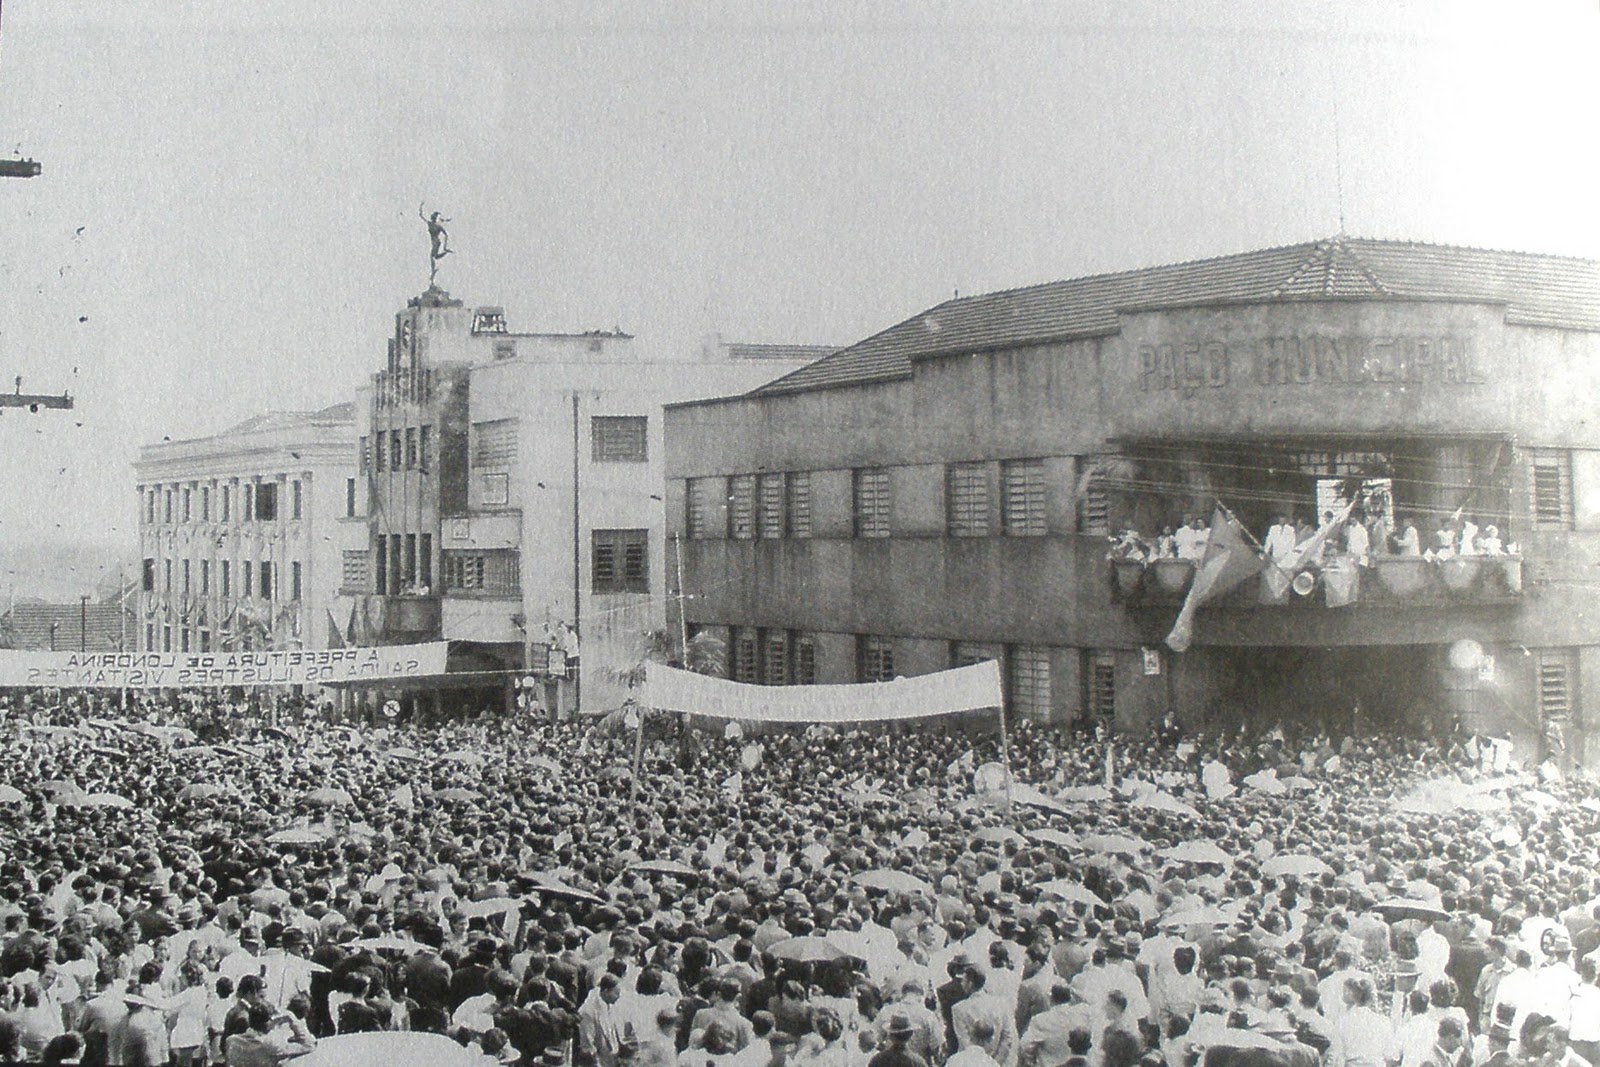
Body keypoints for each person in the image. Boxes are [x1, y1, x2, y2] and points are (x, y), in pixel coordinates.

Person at [224, 1002, 316, 1066]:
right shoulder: (272, 1045)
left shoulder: (231, 1041)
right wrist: (291, 1018)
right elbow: (309, 1045)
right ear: (268, 1023)